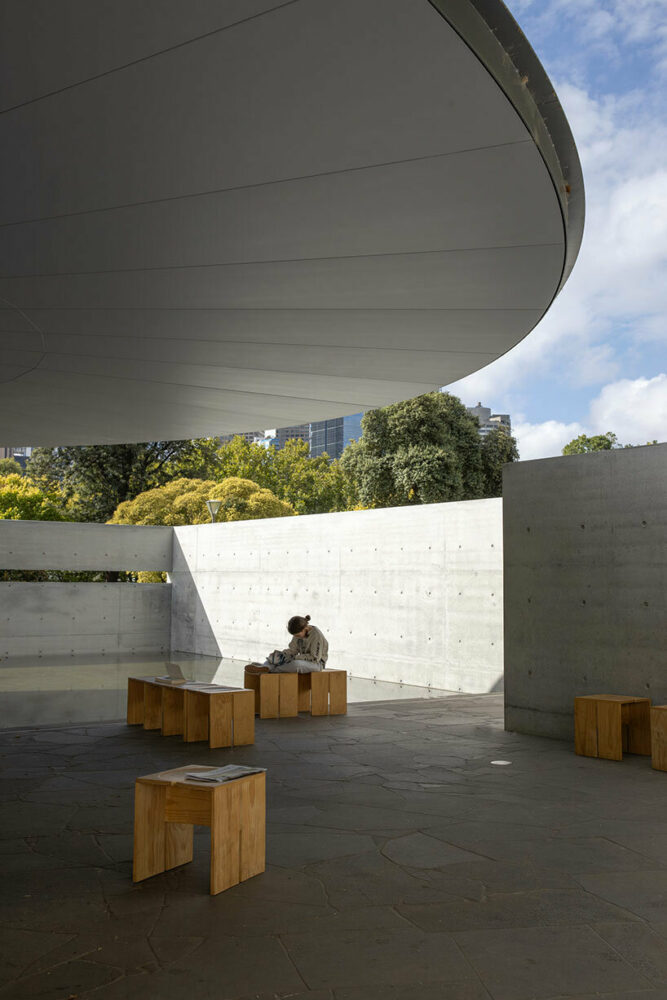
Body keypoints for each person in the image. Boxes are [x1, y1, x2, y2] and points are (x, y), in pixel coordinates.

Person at [245, 615, 328, 674]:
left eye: (297, 635)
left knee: (296, 665)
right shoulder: (298, 633)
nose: (296, 637)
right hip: (300, 659)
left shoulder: (316, 635)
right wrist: (282, 655)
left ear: (305, 628)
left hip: (316, 664)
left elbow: (314, 658)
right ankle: (265, 667)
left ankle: (268, 669)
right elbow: (293, 650)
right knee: (276, 657)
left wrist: (294, 658)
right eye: (295, 636)